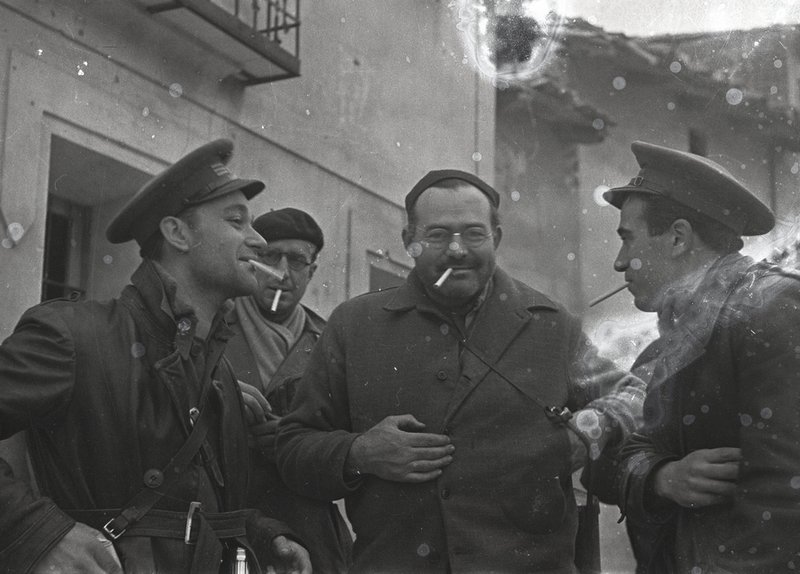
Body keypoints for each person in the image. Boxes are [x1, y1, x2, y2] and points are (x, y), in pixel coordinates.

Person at [276, 169, 646, 573]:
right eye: (437, 235)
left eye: (473, 233)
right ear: (409, 242)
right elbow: (293, 448)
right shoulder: (355, 326)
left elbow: (635, 395)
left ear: (496, 239)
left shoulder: (551, 326)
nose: (457, 250)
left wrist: (588, 430)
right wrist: (360, 453)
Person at [0, 139, 311, 574]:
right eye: (236, 221)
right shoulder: (72, 335)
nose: (258, 240)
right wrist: (37, 533)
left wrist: (262, 534)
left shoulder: (218, 373)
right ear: (177, 234)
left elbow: (188, 505)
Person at [605, 141, 800, 572]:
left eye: (627, 239)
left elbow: (784, 502)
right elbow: (616, 461)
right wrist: (663, 478)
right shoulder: (670, 343)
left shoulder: (774, 310)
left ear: (678, 238)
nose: (620, 263)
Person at [226, 207, 353, 573]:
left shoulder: (330, 341)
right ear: (251, 260)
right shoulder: (211, 324)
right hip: (224, 518)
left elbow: (349, 441)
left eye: (297, 261)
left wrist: (299, 440)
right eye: (270, 256)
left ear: (311, 272)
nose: (282, 272)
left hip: (307, 527)